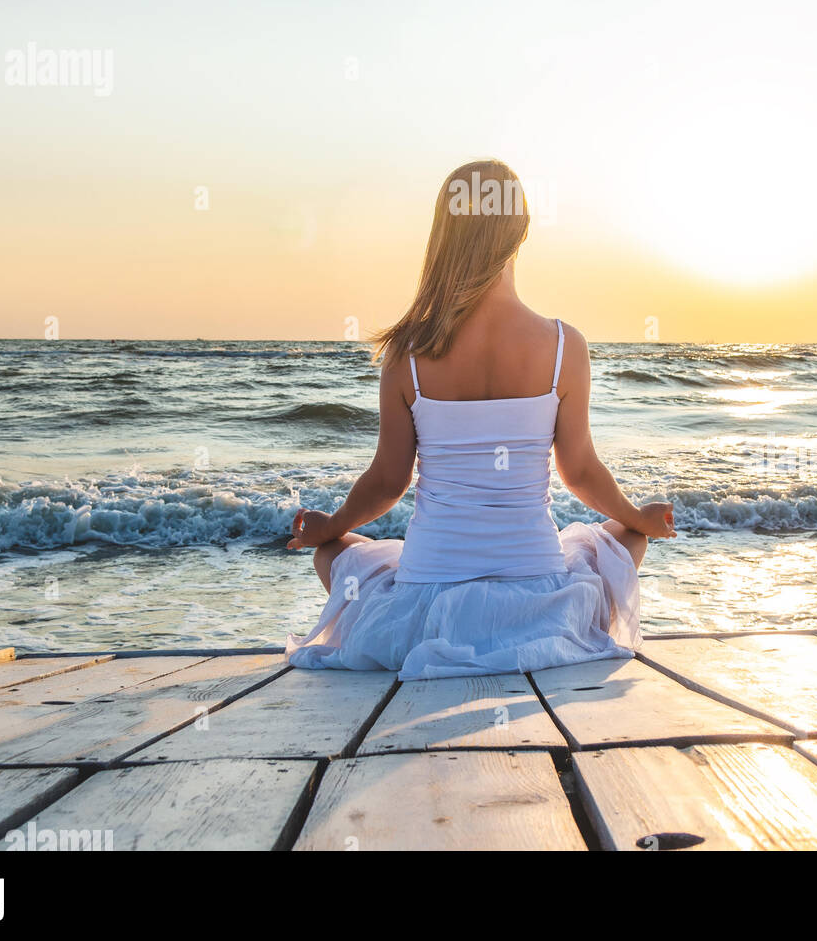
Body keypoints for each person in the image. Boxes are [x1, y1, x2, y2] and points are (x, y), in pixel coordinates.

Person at [285, 159, 674, 678]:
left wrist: (330, 526)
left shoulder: (408, 354)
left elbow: (387, 482)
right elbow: (580, 471)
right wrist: (637, 518)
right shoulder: (564, 347)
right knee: (626, 542)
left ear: (444, 235)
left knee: (332, 554)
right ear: (521, 232)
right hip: (539, 600)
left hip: (425, 603)